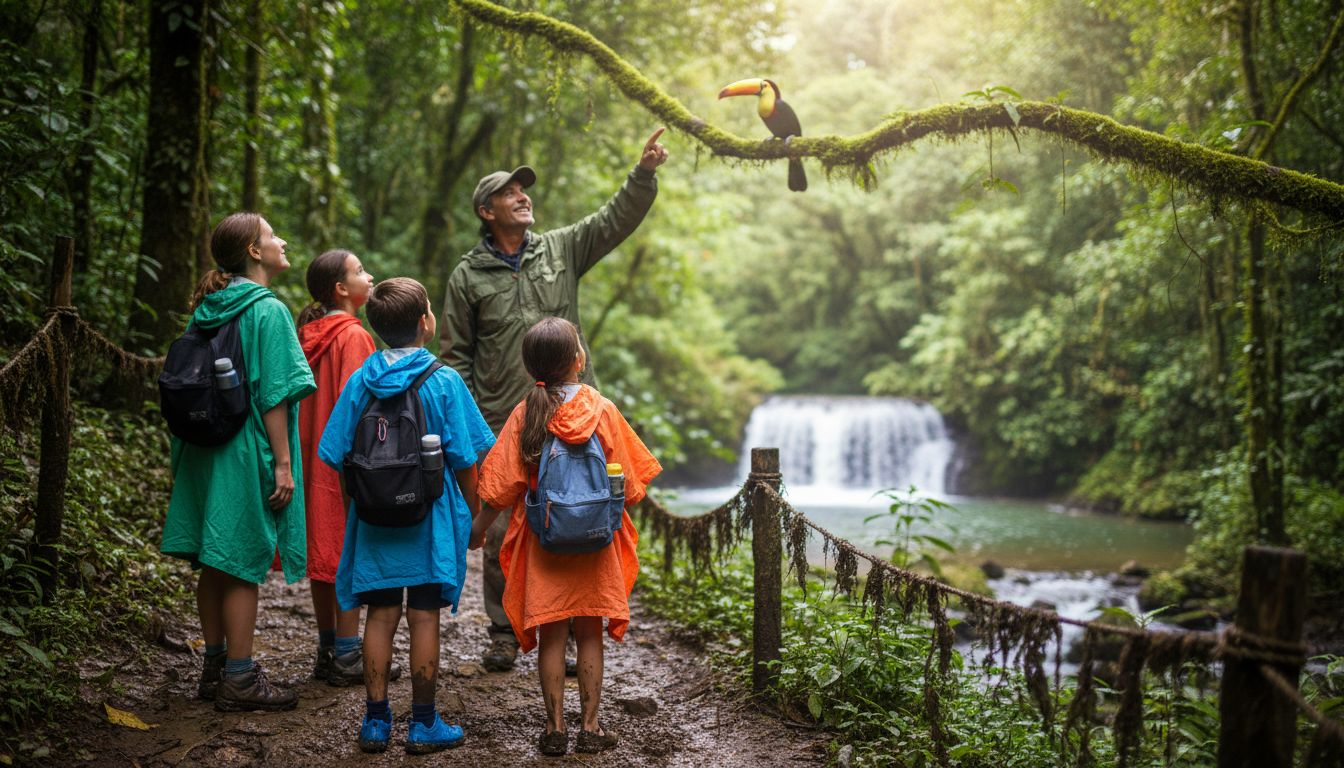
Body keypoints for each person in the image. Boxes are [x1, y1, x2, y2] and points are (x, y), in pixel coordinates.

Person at [441, 127, 669, 672]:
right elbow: (455, 355)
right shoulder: (467, 276)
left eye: (526, 189)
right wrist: (472, 427)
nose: (524, 196)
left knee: (577, 515)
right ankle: (502, 630)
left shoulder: (562, 248)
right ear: (485, 210)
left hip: (571, 416)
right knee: (501, 532)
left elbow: (613, 220)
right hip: (503, 417)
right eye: (510, 192)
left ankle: (566, 630)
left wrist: (642, 175)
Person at [318, 277, 494, 754]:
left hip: (375, 522)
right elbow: (467, 458)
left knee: (379, 615)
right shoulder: (444, 380)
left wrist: (361, 504)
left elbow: (334, 454)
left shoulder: (361, 379)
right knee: (423, 619)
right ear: (425, 323)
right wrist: (474, 520)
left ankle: (375, 722)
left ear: (376, 328)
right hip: (429, 522)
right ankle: (423, 723)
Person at [473, 316, 662, 756]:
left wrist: (479, 528)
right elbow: (631, 486)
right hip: (596, 544)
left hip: (545, 544)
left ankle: (555, 726)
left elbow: (502, 485)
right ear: (579, 359)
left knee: (552, 637)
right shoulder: (602, 409)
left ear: (529, 367)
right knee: (590, 634)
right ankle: (591, 728)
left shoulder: (527, 411)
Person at [160, 212, 315, 711]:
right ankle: (241, 680)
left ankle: (215, 665)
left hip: (201, 447)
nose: (282, 240)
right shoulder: (267, 311)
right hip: (243, 448)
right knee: (242, 562)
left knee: (214, 557)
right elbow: (275, 394)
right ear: (253, 250)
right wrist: (284, 465)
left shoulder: (206, 306)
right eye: (273, 235)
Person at [295, 249, 401, 687]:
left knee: (324, 551)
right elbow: (362, 405)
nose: (369, 275)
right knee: (344, 552)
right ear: (342, 289)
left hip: (311, 454)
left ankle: (327, 647)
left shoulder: (308, 332)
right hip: (343, 461)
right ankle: (345, 653)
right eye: (360, 272)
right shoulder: (354, 335)